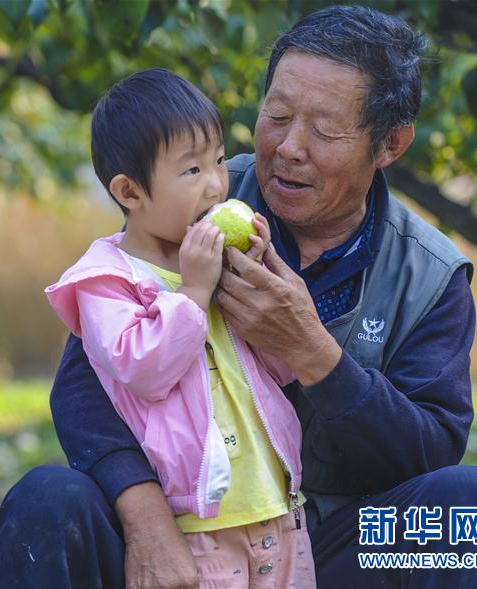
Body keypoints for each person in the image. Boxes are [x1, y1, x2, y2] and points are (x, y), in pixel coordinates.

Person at [0, 5, 477, 588]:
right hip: (182, 534)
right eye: (278, 114)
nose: (289, 147)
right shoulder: (190, 198)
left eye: (324, 129)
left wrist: (314, 354)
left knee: (474, 512)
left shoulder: (430, 276)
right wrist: (146, 520)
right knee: (47, 500)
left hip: (331, 548)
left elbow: (429, 453)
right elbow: (89, 381)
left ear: (390, 143)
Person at [42, 68, 315, 588]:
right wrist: (192, 294)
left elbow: (282, 371)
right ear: (130, 192)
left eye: (217, 160)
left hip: (276, 510)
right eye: (191, 171)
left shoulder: (223, 263)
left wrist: (260, 286)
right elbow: (143, 369)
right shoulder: (107, 281)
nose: (216, 183)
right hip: (199, 526)